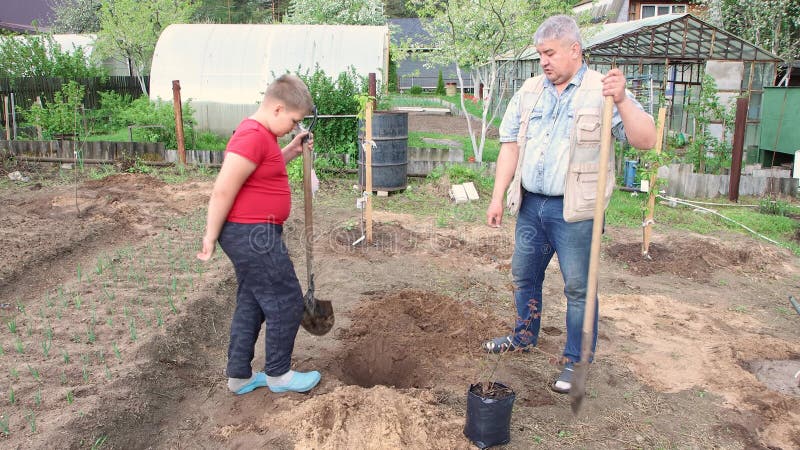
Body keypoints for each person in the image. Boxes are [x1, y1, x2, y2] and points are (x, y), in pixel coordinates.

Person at [483, 15, 656, 394]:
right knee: (524, 276)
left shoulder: (603, 90)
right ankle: (524, 336)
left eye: (550, 53)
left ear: (575, 50)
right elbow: (510, 145)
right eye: (540, 54)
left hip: (577, 212)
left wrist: (623, 99)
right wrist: (498, 196)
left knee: (578, 288)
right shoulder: (530, 91)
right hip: (532, 206)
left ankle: (576, 361)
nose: (544, 61)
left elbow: (645, 140)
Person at [197, 74, 321, 395]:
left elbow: (262, 168)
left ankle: (238, 376)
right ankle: (278, 374)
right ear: (278, 109)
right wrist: (210, 236)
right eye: (294, 121)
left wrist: (291, 150)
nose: (295, 127)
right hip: (252, 233)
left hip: (253, 231)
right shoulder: (252, 135)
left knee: (251, 302)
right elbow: (223, 189)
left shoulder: (263, 136)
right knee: (286, 300)